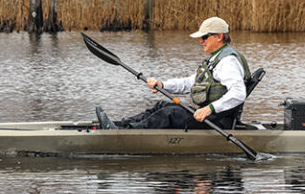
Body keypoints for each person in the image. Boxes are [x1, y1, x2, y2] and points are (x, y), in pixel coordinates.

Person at [96, 17, 251, 130]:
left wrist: (209, 108)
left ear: (219, 36)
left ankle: (124, 133)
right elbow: (190, 83)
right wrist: (163, 85)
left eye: (204, 37)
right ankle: (119, 125)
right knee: (161, 105)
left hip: (217, 121)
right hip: (208, 116)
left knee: (170, 113)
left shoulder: (228, 62)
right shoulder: (216, 59)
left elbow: (238, 93)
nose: (201, 41)